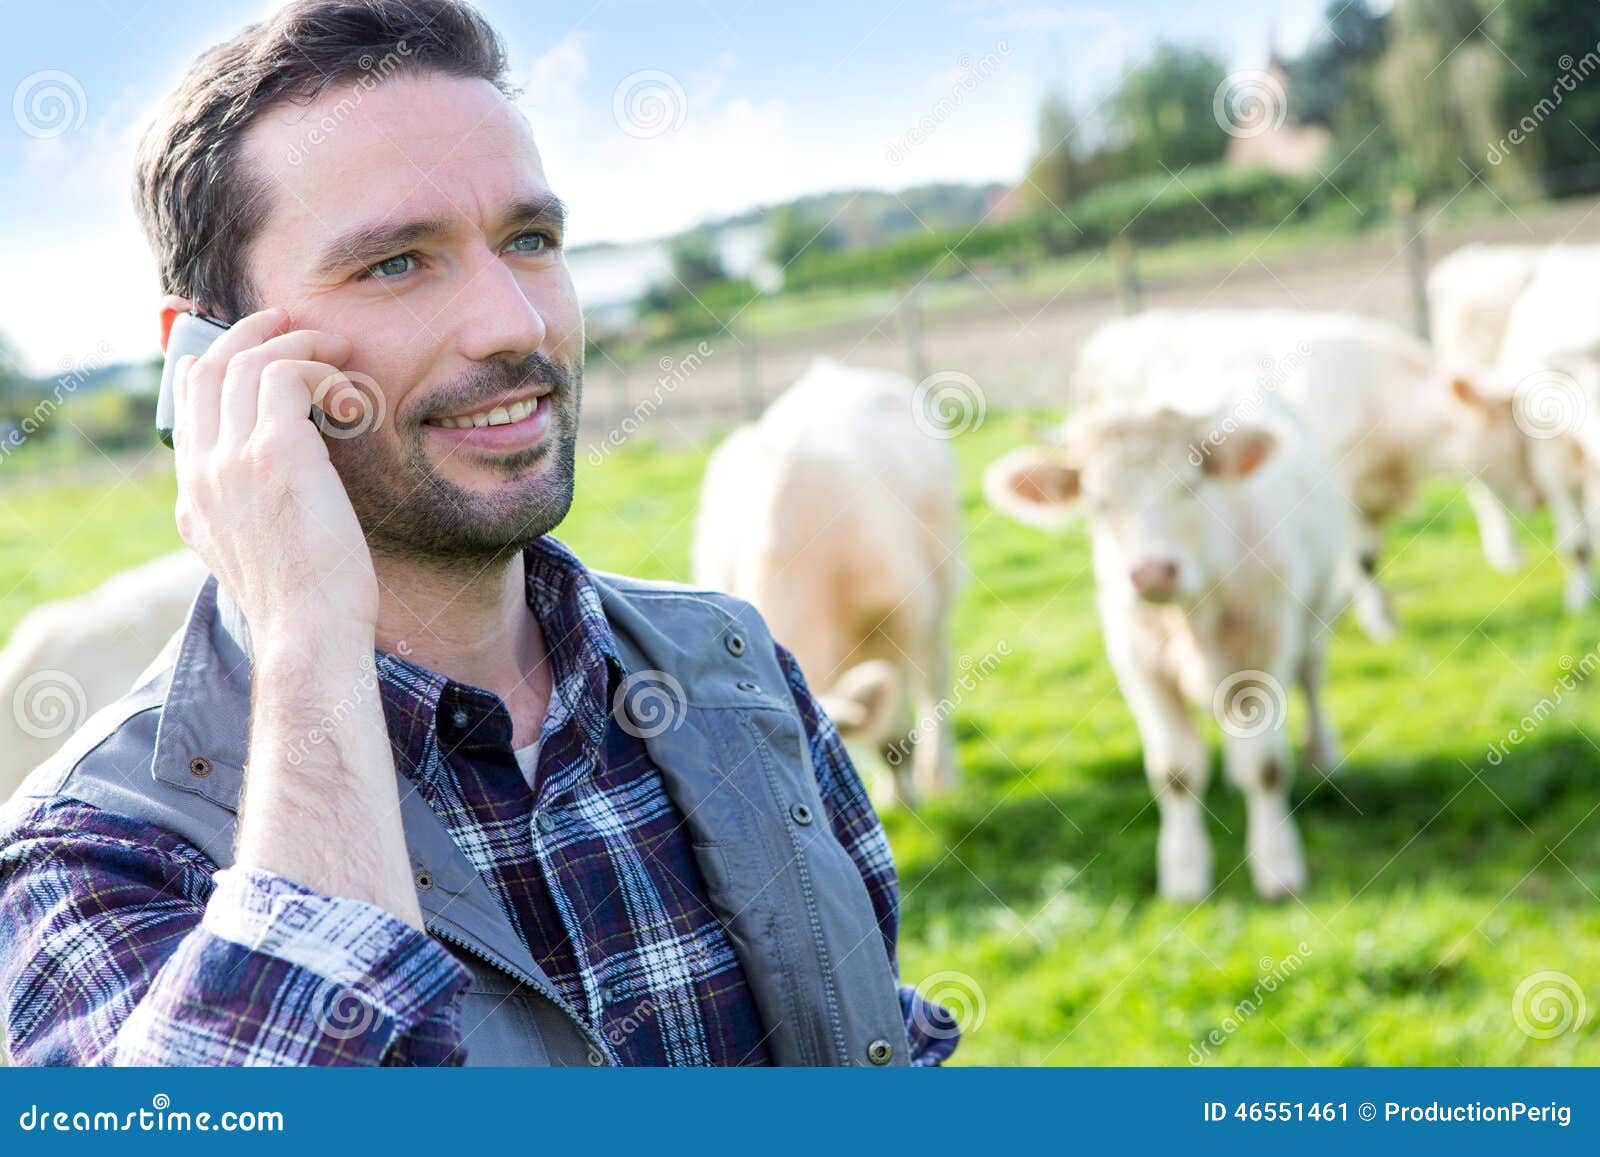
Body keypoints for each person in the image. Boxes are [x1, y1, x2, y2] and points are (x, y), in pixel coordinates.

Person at [0, 0, 959, 1067]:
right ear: (209, 360)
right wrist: (310, 634)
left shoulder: (739, 674)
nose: (514, 321)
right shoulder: (95, 854)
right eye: (397, 261)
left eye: (530, 239)